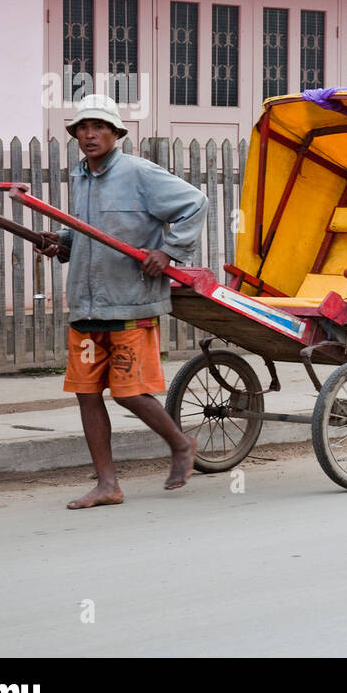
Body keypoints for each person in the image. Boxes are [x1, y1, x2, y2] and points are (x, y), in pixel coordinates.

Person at [34, 95, 209, 509]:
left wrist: (168, 251)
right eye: (82, 128)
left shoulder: (139, 172)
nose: (89, 135)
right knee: (87, 392)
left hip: (130, 303)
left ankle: (181, 444)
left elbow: (194, 204)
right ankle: (107, 484)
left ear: (116, 134)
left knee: (129, 393)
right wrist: (61, 244)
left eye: (99, 128)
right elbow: (86, 234)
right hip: (87, 305)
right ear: (75, 134)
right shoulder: (81, 177)